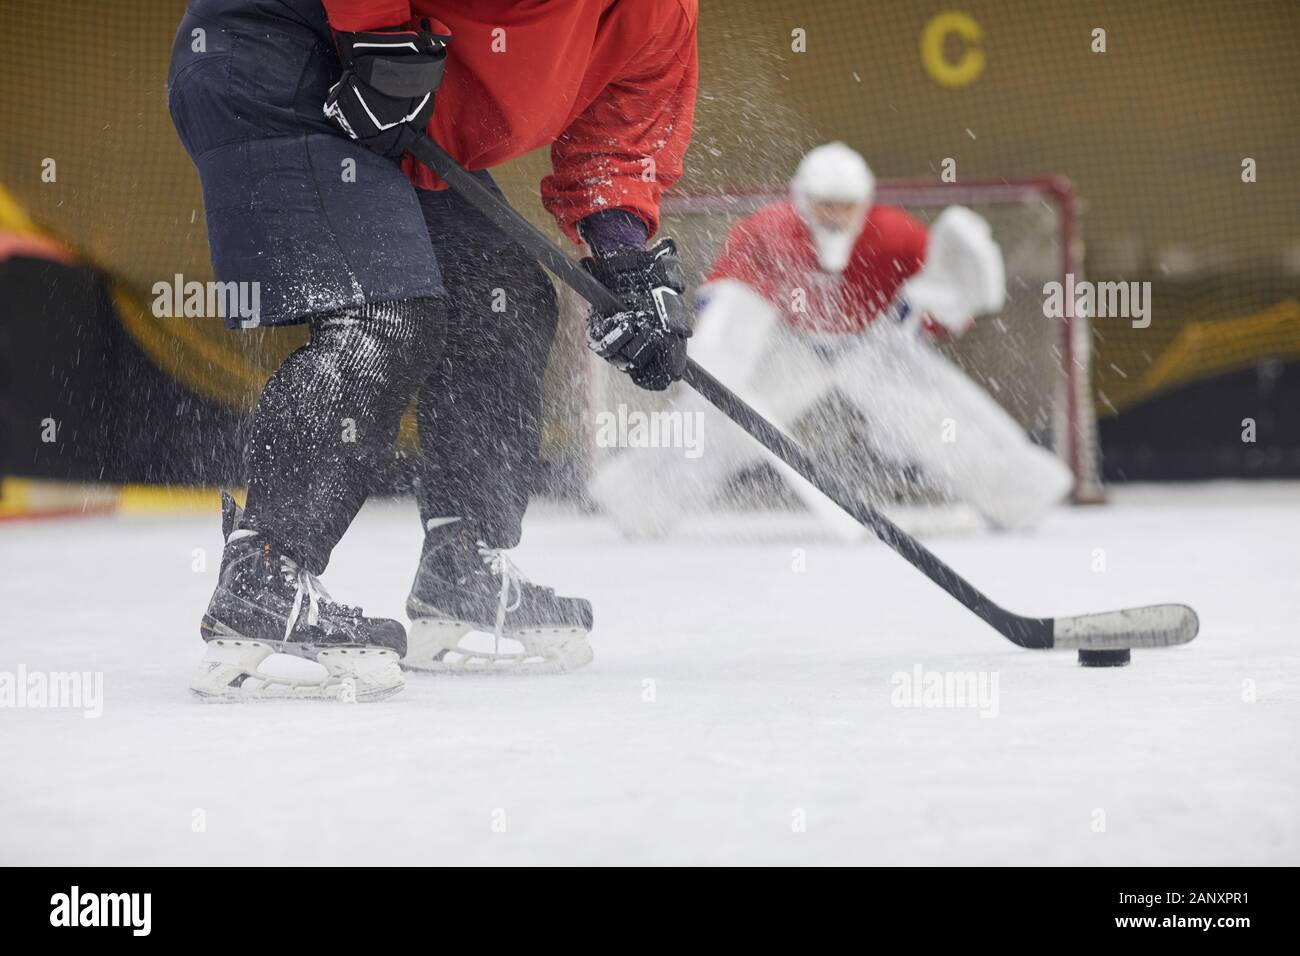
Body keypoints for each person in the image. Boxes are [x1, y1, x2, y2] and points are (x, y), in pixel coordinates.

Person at [168, 0, 698, 698]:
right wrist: (378, 32)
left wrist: (623, 267)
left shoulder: (662, 15)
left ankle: (462, 562)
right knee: (383, 310)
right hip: (284, 46)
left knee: (501, 298)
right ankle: (264, 574)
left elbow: (618, 146)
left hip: (400, 100)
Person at [590, 142, 1073, 540]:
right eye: (827, 204)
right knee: (718, 419)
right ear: (803, 198)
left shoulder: (897, 235)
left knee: (942, 420)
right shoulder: (766, 232)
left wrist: (953, 296)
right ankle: (639, 506)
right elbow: (730, 298)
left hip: (871, 348)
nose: (837, 216)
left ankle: (1018, 497)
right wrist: (722, 356)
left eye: (847, 205)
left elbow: (930, 313)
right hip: (788, 349)